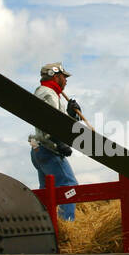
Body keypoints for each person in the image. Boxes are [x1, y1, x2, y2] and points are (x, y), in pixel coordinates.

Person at [29, 61, 81, 220]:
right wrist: (59, 142)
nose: (66, 80)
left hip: (39, 149)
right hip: (49, 148)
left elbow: (59, 122)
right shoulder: (48, 94)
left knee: (47, 192)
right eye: (64, 77)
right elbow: (48, 121)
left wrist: (71, 115)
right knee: (69, 186)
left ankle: (46, 226)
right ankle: (67, 225)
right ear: (55, 76)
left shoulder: (50, 93)